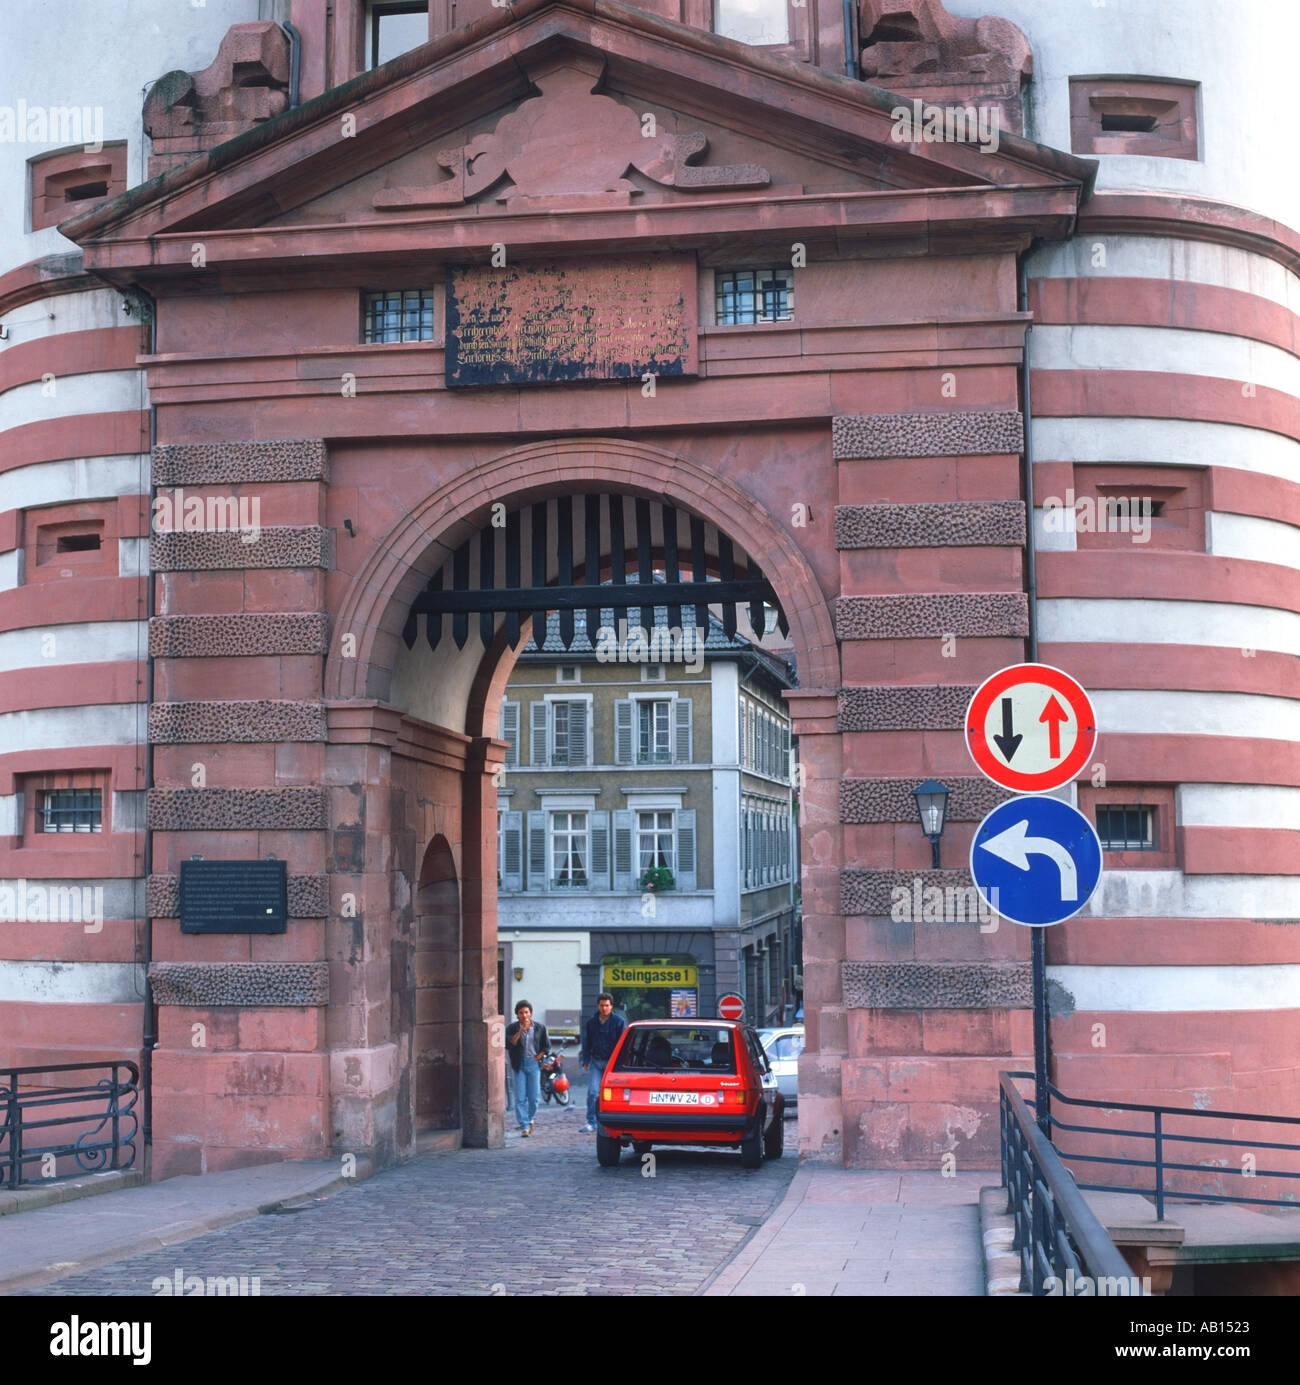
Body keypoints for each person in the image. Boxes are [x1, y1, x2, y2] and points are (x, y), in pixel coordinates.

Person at [579, 993, 626, 1132]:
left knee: (615, 1093)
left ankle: (617, 1121)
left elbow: (623, 1044)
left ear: (611, 1006)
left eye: (607, 1005)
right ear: (598, 1006)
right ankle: (591, 1122)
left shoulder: (619, 1021)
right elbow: (587, 1042)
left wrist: (620, 1063)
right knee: (593, 1092)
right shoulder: (591, 1022)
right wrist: (586, 1059)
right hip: (596, 1061)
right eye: (602, 1005)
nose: (604, 1008)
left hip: (613, 1063)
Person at [506, 1000, 549, 1136]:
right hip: (518, 1064)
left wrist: (540, 1055)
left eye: (526, 1012)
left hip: (533, 1064)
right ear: (517, 1015)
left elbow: (546, 1046)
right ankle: (524, 1126)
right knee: (520, 1097)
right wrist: (520, 1031)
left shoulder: (539, 1028)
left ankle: (530, 1118)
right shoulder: (512, 1028)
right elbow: (510, 1043)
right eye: (521, 1013)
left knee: (534, 1097)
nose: (524, 1015)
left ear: (530, 1013)